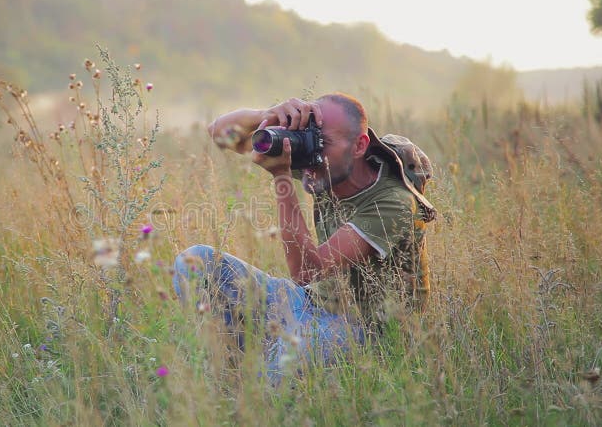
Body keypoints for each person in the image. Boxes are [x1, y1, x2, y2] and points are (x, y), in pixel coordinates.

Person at [172, 93, 434, 381]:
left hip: (369, 329)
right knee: (195, 262)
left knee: (283, 364)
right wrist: (266, 114)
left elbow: (306, 270)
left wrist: (281, 177)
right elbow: (220, 133)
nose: (313, 156)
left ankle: (265, 376)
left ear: (359, 146)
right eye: (310, 139)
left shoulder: (394, 203)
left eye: (324, 143)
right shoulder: (321, 161)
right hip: (311, 301)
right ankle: (235, 372)